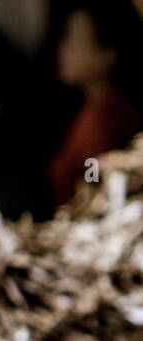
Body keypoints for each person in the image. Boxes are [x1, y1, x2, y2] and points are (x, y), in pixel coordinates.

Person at [47, 2, 143, 205]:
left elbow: (93, 181)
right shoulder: (96, 107)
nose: (64, 48)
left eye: (74, 39)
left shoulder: (105, 122)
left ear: (107, 55)